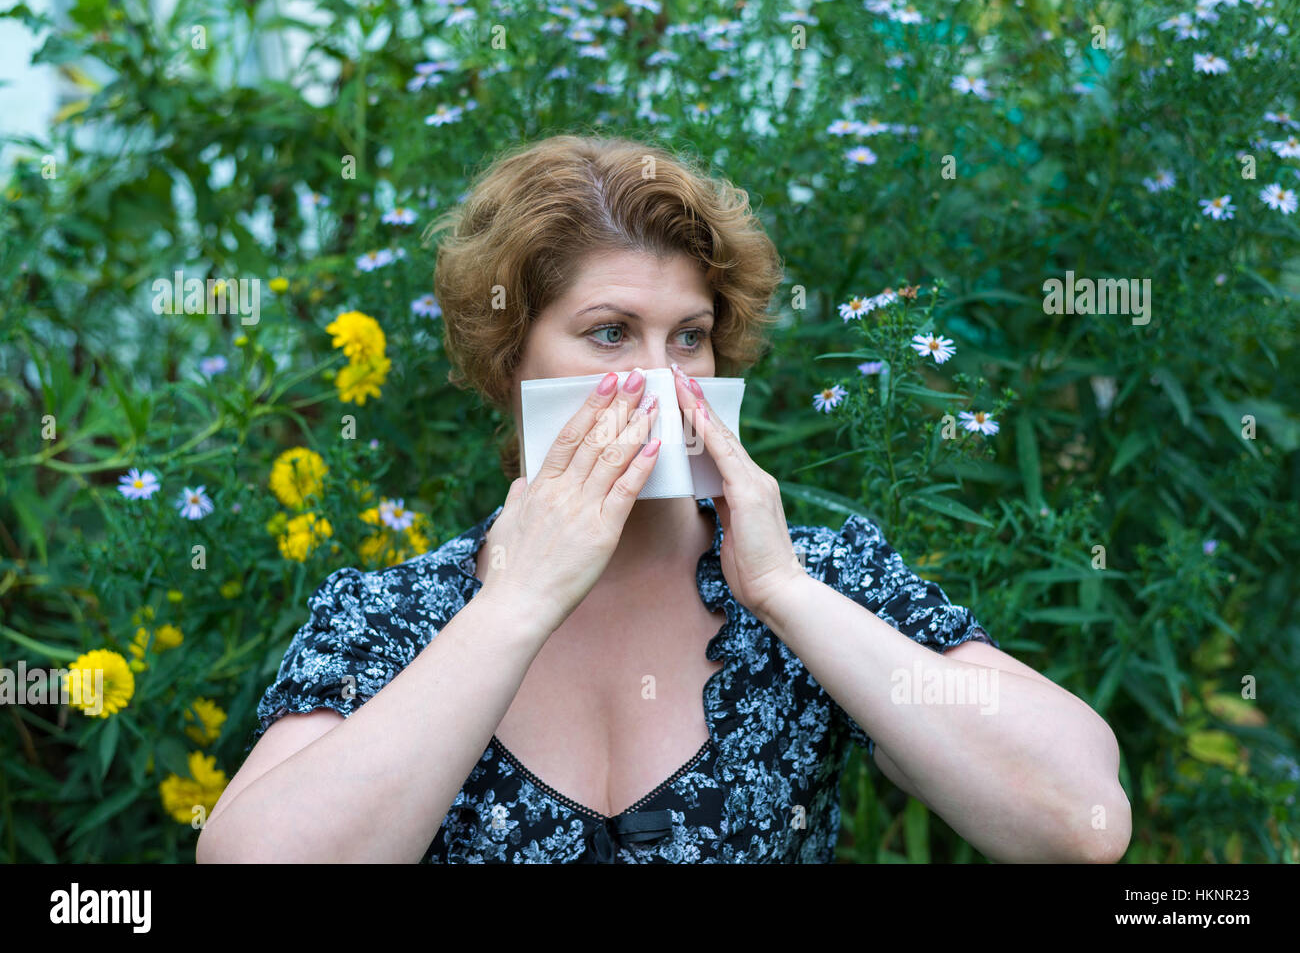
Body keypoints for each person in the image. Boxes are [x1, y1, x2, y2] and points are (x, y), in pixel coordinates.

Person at [196, 133, 1130, 863]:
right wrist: (513, 606)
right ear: (511, 358)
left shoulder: (827, 580)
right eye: (610, 333)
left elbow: (1079, 822)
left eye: (689, 337)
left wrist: (785, 594)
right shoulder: (390, 618)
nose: (660, 378)